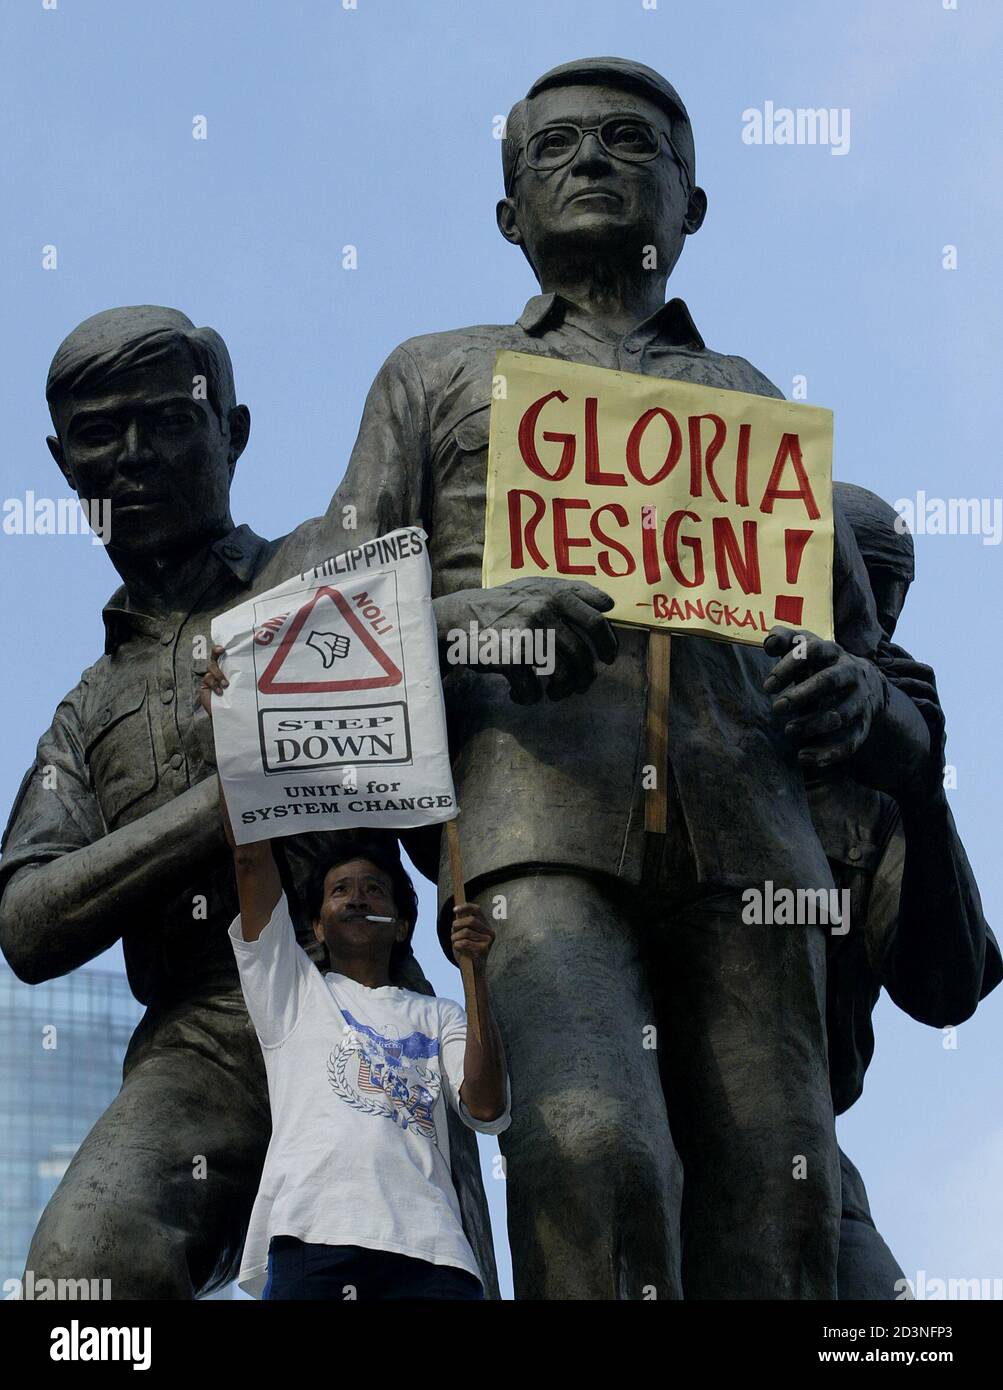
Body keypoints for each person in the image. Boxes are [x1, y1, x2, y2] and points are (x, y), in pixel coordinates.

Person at [320, 57, 939, 1298]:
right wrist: (475, 624)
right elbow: (324, 635)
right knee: (594, 1147)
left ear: (692, 205)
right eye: (553, 150)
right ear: (507, 216)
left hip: (756, 853)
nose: (590, 162)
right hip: (539, 830)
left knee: (780, 1187)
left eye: (627, 142)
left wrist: (857, 701)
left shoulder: (751, 401)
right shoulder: (436, 375)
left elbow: (891, 703)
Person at [0, 305, 498, 1298]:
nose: (132, 455)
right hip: (206, 1032)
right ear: (63, 465)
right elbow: (26, 920)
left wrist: (472, 631)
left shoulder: (322, 576)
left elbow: (442, 812)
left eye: (167, 420)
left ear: (234, 431)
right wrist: (225, 806)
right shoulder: (86, 712)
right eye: (101, 433)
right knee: (79, 1277)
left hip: (364, 1006)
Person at [202, 644, 511, 1300]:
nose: (358, 898)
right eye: (340, 891)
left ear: (401, 924)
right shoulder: (291, 994)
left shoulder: (439, 1017)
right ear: (316, 927)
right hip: (314, 1238)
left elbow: (484, 1105)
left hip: (434, 1257)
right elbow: (252, 862)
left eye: (375, 890)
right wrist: (228, 731)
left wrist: (474, 972)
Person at [810, 483, 1001, 1298]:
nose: (881, 623)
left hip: (811, 1146)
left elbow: (946, 990)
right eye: (862, 589)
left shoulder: (883, 786)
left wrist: (920, 784)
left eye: (895, 596)